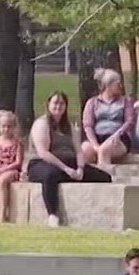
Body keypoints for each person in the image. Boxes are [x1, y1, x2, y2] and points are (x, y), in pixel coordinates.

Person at [26, 92, 112, 227]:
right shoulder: (42, 124)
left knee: (104, 177)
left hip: (68, 163)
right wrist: (66, 169)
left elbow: (78, 151)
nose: (58, 106)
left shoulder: (70, 127)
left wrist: (80, 169)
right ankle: (52, 215)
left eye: (62, 103)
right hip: (42, 163)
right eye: (55, 103)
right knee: (51, 175)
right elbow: (43, 152)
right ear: (48, 104)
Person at [81, 69, 137, 166]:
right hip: (97, 137)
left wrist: (117, 134)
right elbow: (88, 126)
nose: (120, 86)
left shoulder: (126, 101)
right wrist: (94, 144)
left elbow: (129, 121)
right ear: (108, 85)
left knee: (104, 150)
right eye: (117, 83)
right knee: (85, 150)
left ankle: (104, 179)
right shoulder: (92, 102)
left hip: (118, 138)